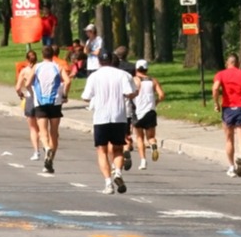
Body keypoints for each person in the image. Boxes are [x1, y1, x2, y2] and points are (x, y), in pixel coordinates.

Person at [81, 51, 136, 195]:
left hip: (101, 117)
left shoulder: (94, 76)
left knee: (102, 150)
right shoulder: (123, 75)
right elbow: (130, 93)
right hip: (119, 116)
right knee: (118, 148)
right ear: (112, 60)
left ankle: (108, 183)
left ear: (99, 62)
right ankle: (117, 171)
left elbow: (86, 97)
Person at [22, 45, 70, 173]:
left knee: (43, 131)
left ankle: (47, 148)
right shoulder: (57, 66)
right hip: (55, 103)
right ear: (53, 55)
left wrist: (32, 94)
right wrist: (64, 94)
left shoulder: (37, 67)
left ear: (42, 55)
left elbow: (27, 84)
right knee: (54, 132)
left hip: (40, 102)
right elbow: (68, 81)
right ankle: (50, 162)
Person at [212, 53, 241, 178]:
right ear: (237, 63)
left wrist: (216, 103)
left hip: (227, 108)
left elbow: (215, 88)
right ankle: (240, 156)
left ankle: (231, 166)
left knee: (228, 139)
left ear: (227, 63)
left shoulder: (220, 74)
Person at [132, 59, 165, 170]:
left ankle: (143, 161)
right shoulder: (153, 81)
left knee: (139, 137)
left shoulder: (134, 80)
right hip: (151, 112)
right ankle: (153, 145)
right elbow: (161, 95)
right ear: (147, 69)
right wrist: (156, 102)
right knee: (151, 137)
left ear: (136, 69)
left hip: (138, 112)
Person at [14, 50, 42, 158]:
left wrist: (20, 94)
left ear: (27, 59)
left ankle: (36, 152)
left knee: (33, 128)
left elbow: (17, 87)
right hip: (42, 100)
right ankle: (46, 145)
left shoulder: (24, 71)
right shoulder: (41, 68)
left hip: (30, 99)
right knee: (42, 127)